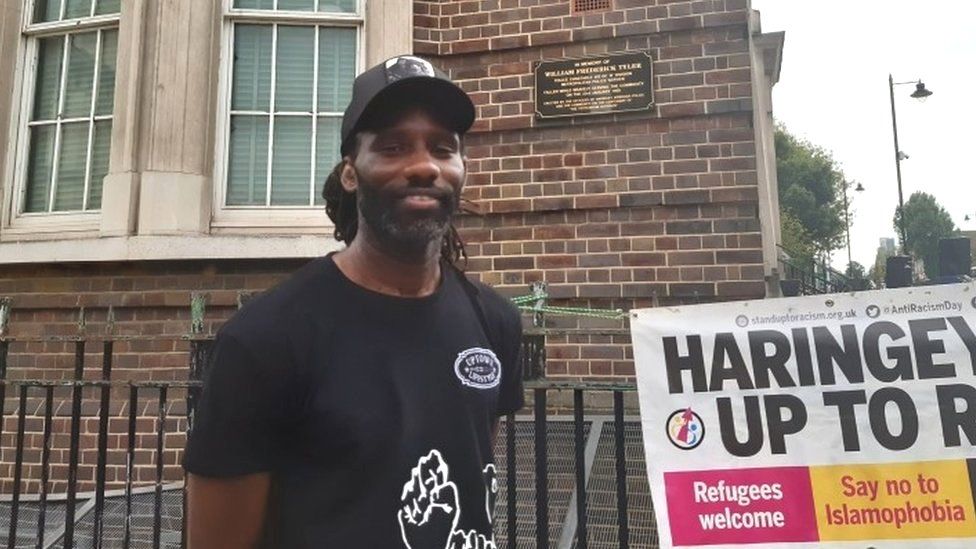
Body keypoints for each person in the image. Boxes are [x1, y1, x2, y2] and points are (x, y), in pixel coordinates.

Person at [183, 55, 525, 549]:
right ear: (351, 173)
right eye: (392, 147)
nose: (424, 166)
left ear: (461, 168)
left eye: (442, 148)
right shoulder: (265, 340)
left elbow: (468, 473)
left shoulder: (494, 321)